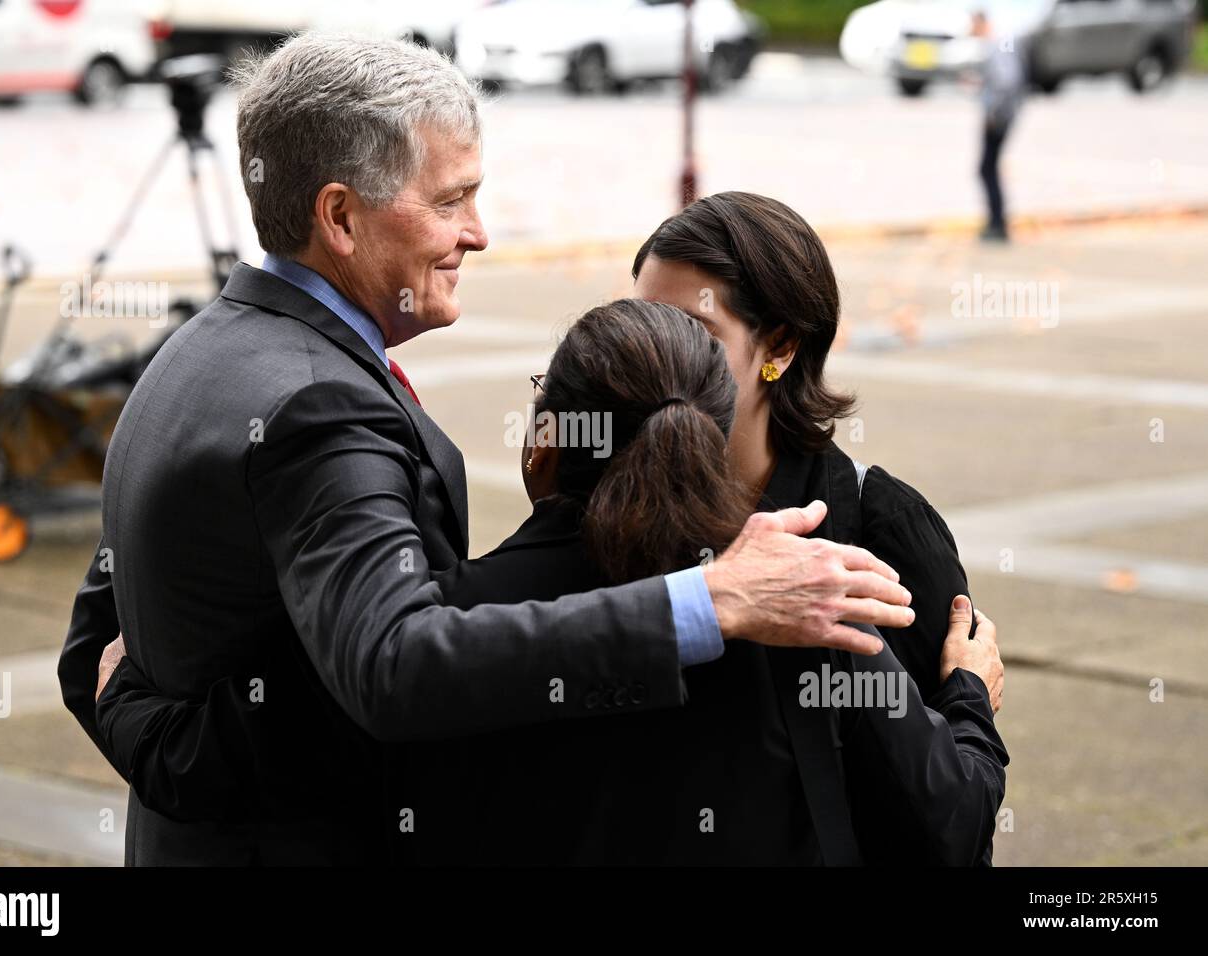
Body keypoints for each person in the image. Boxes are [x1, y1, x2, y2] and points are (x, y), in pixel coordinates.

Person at [57, 36, 913, 866]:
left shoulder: (196, 352)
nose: (478, 232)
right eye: (449, 200)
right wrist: (703, 603)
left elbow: (101, 630)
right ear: (341, 217)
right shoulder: (319, 407)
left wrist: (144, 727)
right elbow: (394, 666)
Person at [94, 299, 1007, 865]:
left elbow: (219, 761)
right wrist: (966, 696)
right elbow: (952, 827)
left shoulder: (446, 628)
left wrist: (126, 693)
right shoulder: (807, 606)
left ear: (543, 443)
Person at [630, 190, 1006, 861]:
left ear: (778, 346)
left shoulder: (880, 525)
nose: (655, 362)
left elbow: (947, 822)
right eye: (642, 328)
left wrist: (966, 705)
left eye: (694, 333)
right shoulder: (622, 507)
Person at [970, 10, 1026, 242]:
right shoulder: (998, 45)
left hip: (999, 118)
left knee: (986, 168)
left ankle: (997, 223)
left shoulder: (996, 46)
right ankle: (996, 222)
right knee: (988, 168)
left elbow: (1007, 80)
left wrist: (994, 112)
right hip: (1003, 115)